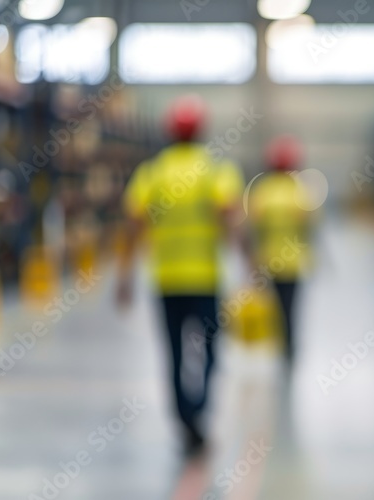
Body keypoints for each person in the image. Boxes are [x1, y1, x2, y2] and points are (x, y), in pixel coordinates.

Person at [116, 95, 244, 454]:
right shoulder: (216, 171)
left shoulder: (152, 173)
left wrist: (125, 277)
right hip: (205, 279)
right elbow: (231, 220)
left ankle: (184, 418)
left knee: (173, 353)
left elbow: (133, 228)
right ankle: (197, 411)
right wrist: (250, 265)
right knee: (210, 352)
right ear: (201, 130)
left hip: (166, 280)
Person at [248, 135, 314, 365]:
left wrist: (253, 262)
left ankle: (278, 347)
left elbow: (255, 229)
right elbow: (309, 227)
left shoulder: (263, 191)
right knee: (290, 309)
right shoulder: (300, 191)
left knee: (272, 308)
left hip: (268, 260)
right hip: (293, 262)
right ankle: (289, 349)